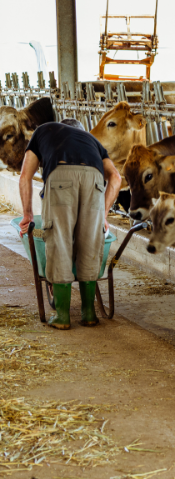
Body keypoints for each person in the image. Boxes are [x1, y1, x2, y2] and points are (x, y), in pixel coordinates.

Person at [18, 118, 122, 330]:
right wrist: (102, 214)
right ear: (80, 131)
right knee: (90, 243)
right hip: (94, 181)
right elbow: (116, 177)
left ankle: (63, 316)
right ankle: (89, 313)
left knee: (59, 240)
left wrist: (27, 215)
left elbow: (25, 176)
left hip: (61, 175)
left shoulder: (43, 131)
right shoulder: (92, 141)